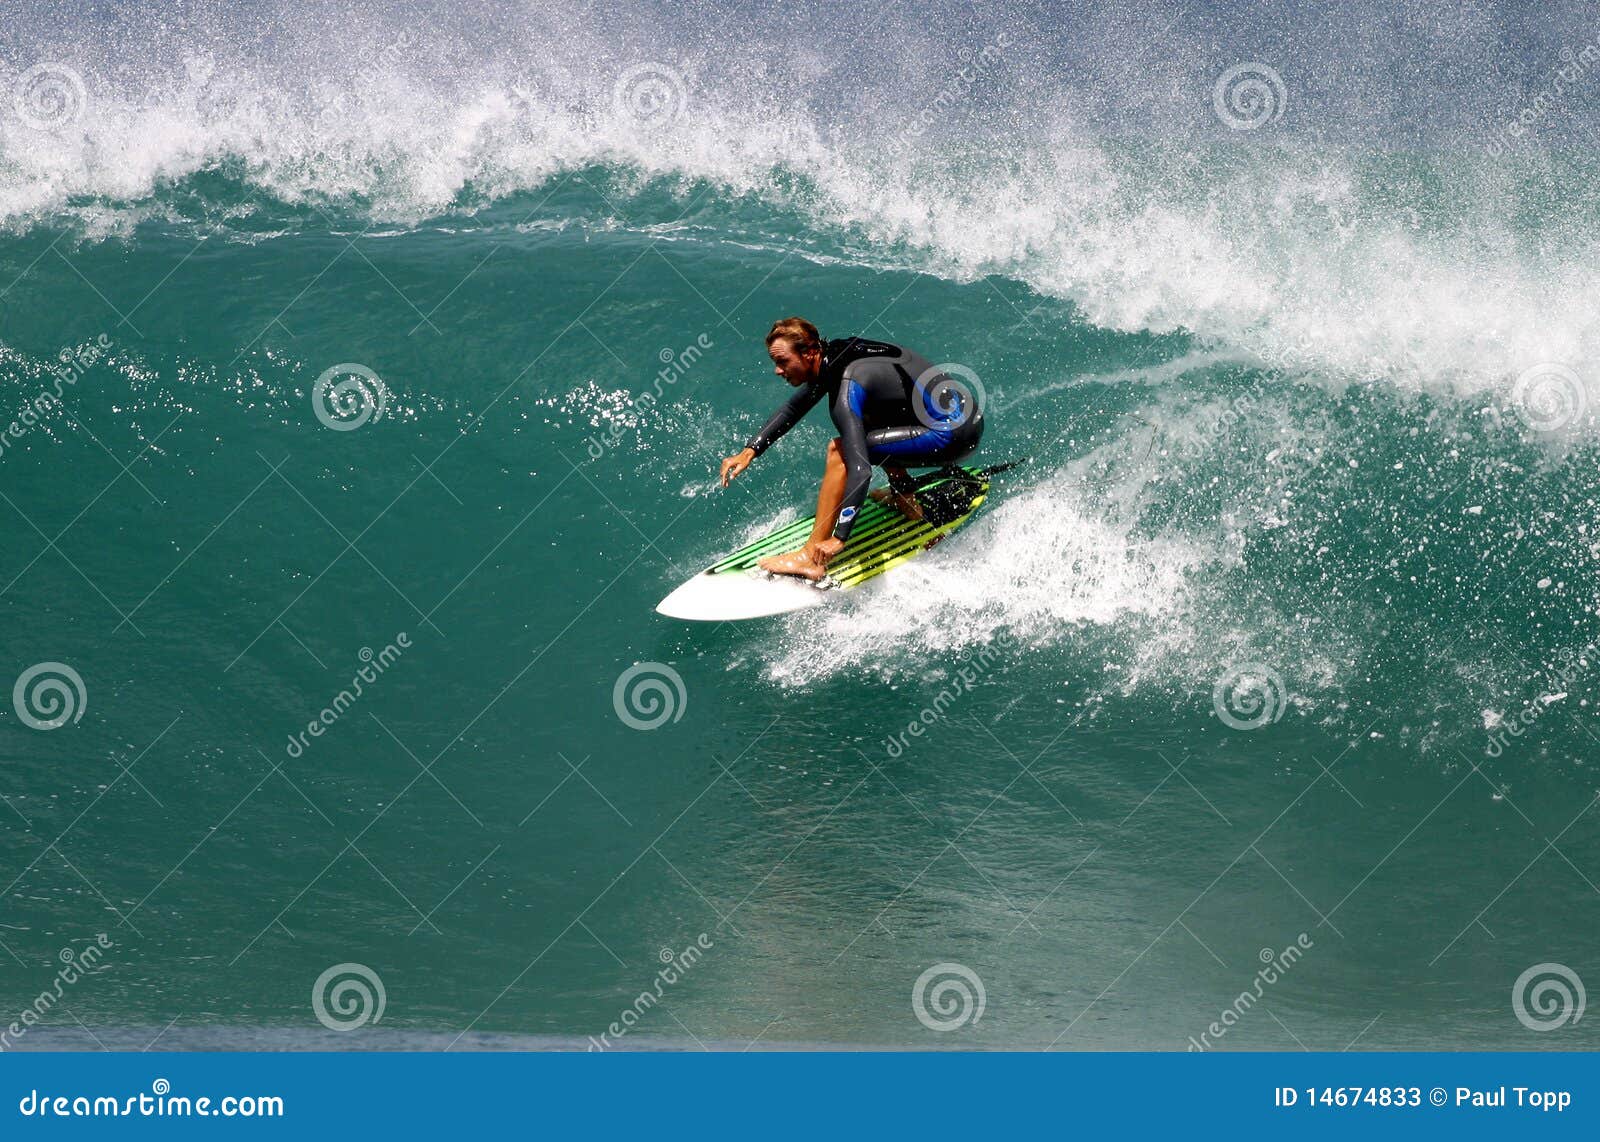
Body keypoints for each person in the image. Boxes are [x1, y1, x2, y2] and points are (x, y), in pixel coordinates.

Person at [720, 317, 984, 581]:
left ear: (810, 352)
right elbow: (793, 408)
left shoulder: (846, 385)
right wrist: (750, 451)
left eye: (782, 361)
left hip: (952, 435)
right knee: (873, 418)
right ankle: (907, 501)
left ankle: (810, 558)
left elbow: (860, 470)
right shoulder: (839, 355)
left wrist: (840, 537)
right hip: (967, 418)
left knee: (840, 450)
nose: (778, 370)